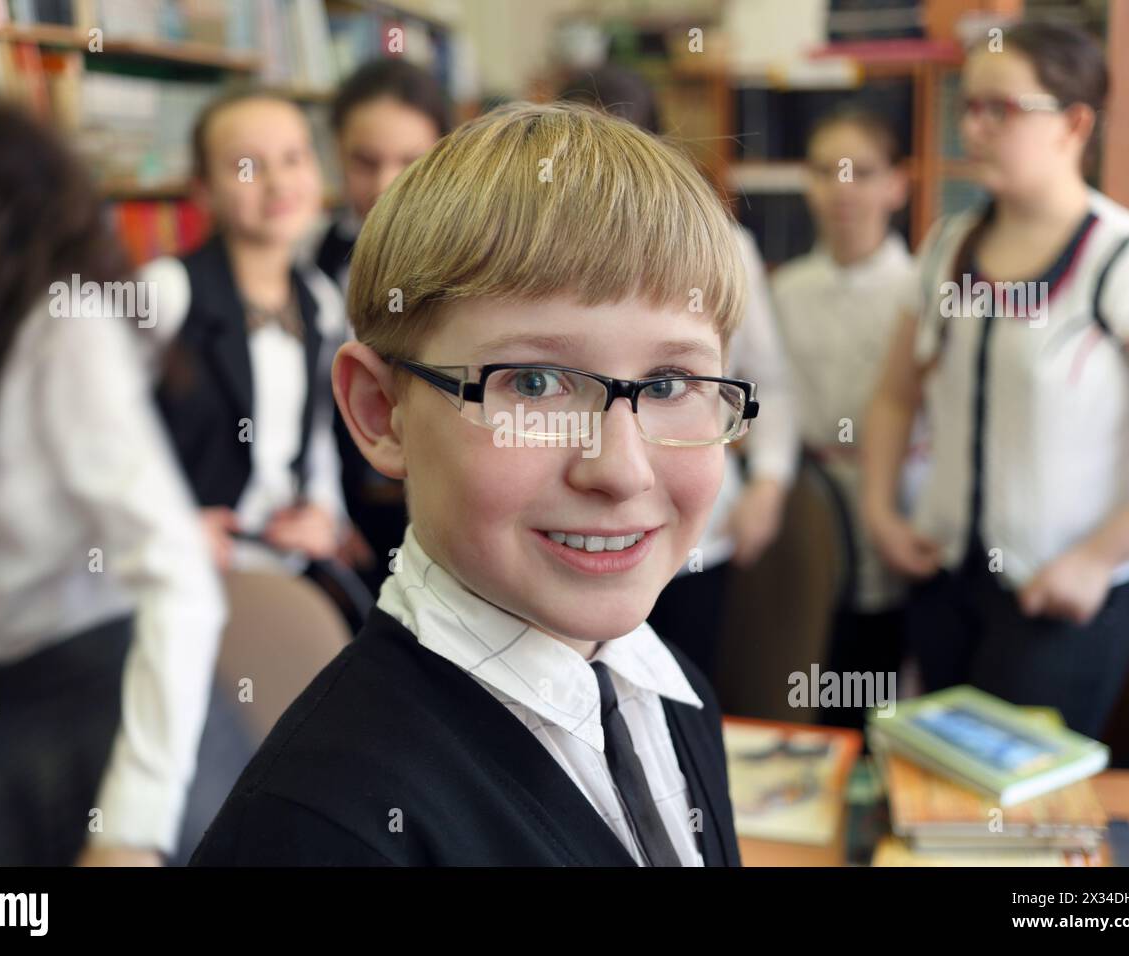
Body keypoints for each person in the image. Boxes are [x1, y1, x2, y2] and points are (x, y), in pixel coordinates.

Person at [192, 102, 749, 865]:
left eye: (669, 383)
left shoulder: (674, 696)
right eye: (538, 382)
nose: (620, 468)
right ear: (381, 410)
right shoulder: (321, 832)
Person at [0, 96, 224, 865]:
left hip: (129, 721)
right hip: (7, 727)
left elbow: (180, 577)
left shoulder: (60, 333)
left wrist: (130, 829)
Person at [861, 21, 1129, 738]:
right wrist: (881, 513)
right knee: (943, 799)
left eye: (1002, 109)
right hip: (943, 582)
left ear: (1075, 123)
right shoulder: (948, 244)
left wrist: (1097, 559)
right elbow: (894, 397)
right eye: (968, 106)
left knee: (1022, 821)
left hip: (1063, 595)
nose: (974, 127)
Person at [559, 65, 798, 683]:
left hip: (693, 534)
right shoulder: (540, 258)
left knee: (678, 691)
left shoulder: (724, 246)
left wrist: (768, 482)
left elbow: (765, 377)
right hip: (570, 532)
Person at [142, 90, 360, 588]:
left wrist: (324, 513)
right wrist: (169, 527)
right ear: (202, 188)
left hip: (284, 569)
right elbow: (98, 435)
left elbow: (318, 432)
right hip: (182, 573)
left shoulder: (321, 300)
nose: (279, 181)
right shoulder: (165, 291)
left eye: (293, 158)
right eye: (247, 166)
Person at [770, 106, 924, 729]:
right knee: (807, 665)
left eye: (862, 172)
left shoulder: (916, 291)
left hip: (893, 501)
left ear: (897, 184)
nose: (843, 190)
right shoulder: (786, 289)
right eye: (826, 172)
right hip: (806, 501)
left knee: (881, 677)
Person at [314, 59, 452, 595]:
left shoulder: (479, 260)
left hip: (449, 502)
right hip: (349, 512)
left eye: (409, 161)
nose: (384, 185)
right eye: (364, 162)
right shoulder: (310, 257)